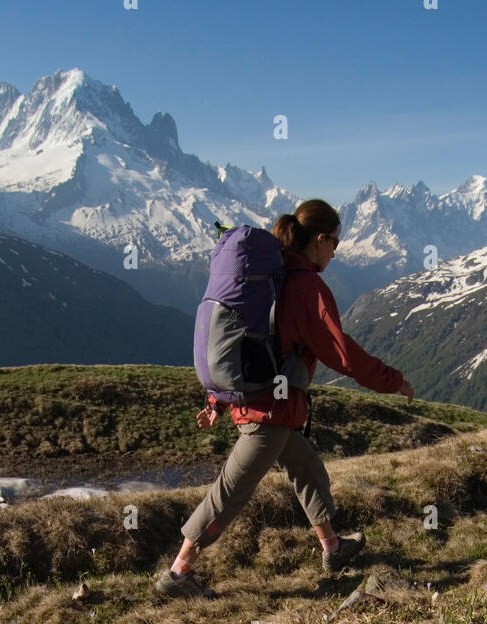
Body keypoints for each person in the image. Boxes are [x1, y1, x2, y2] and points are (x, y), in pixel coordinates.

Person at [155, 199, 415, 599]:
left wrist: (217, 402)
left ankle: (333, 547)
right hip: (269, 415)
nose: (336, 252)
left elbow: (251, 343)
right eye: (335, 243)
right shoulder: (306, 286)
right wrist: (393, 381)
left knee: (306, 466)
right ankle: (177, 574)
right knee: (231, 492)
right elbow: (341, 352)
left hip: (260, 405)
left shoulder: (273, 279)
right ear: (320, 239)